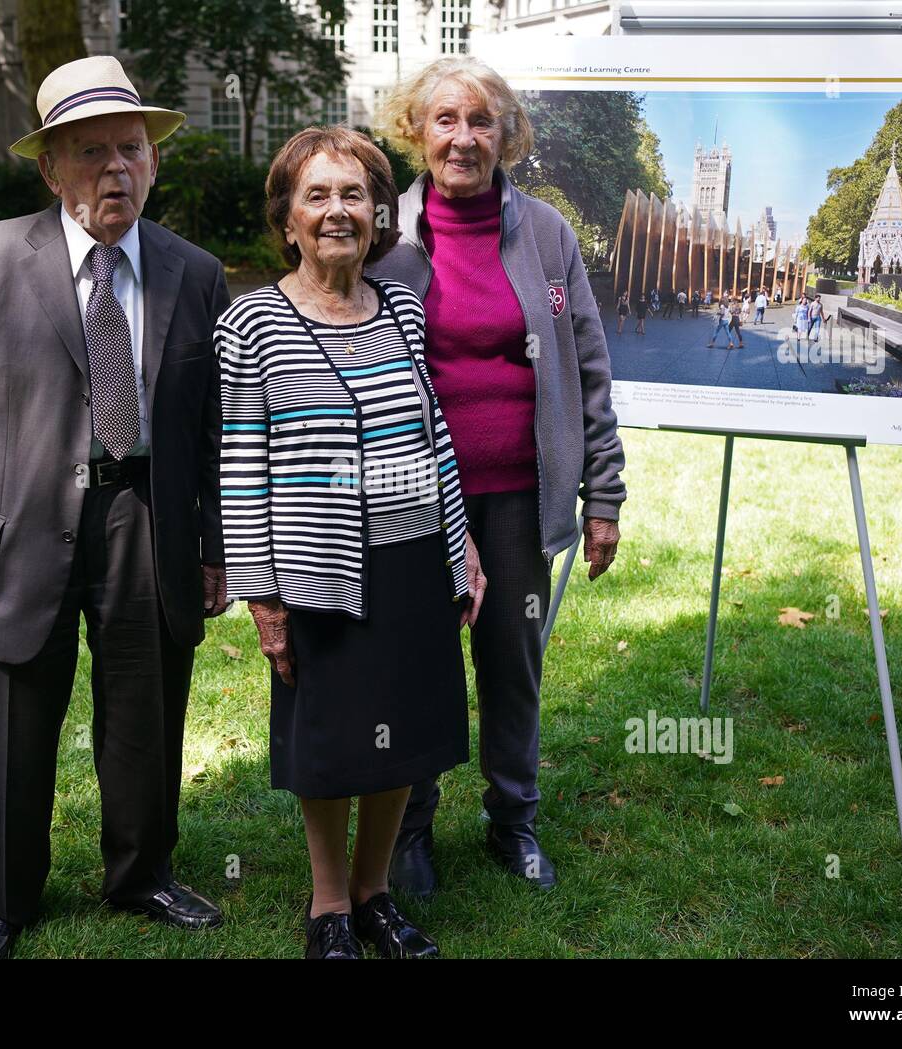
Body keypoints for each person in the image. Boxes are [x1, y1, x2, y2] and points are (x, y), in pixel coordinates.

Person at [0, 56, 230, 959]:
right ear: (50, 169)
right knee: (10, 713)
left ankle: (143, 873)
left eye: (131, 148)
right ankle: (2, 899)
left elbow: (208, 425)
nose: (115, 169)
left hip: (148, 520)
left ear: (154, 161)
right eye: (90, 153)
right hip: (13, 532)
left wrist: (209, 543)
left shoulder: (195, 274)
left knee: (146, 707)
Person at [217, 126, 488, 958]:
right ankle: (329, 904)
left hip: (414, 559)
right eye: (318, 195)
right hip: (318, 573)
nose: (339, 211)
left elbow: (434, 430)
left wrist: (462, 545)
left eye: (355, 194)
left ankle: (375, 895)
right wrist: (262, 593)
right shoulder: (252, 321)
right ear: (288, 219)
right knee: (330, 743)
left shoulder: (403, 305)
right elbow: (240, 465)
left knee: (402, 734)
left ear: (378, 213)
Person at [372, 56, 626, 897]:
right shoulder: (386, 237)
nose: (464, 137)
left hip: (519, 496)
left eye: (482, 121)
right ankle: (409, 828)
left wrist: (604, 496)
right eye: (446, 120)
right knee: (418, 663)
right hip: (417, 499)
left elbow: (588, 364)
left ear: (505, 134)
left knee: (512, 664)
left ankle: (513, 819)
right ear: (416, 130)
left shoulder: (548, 235)